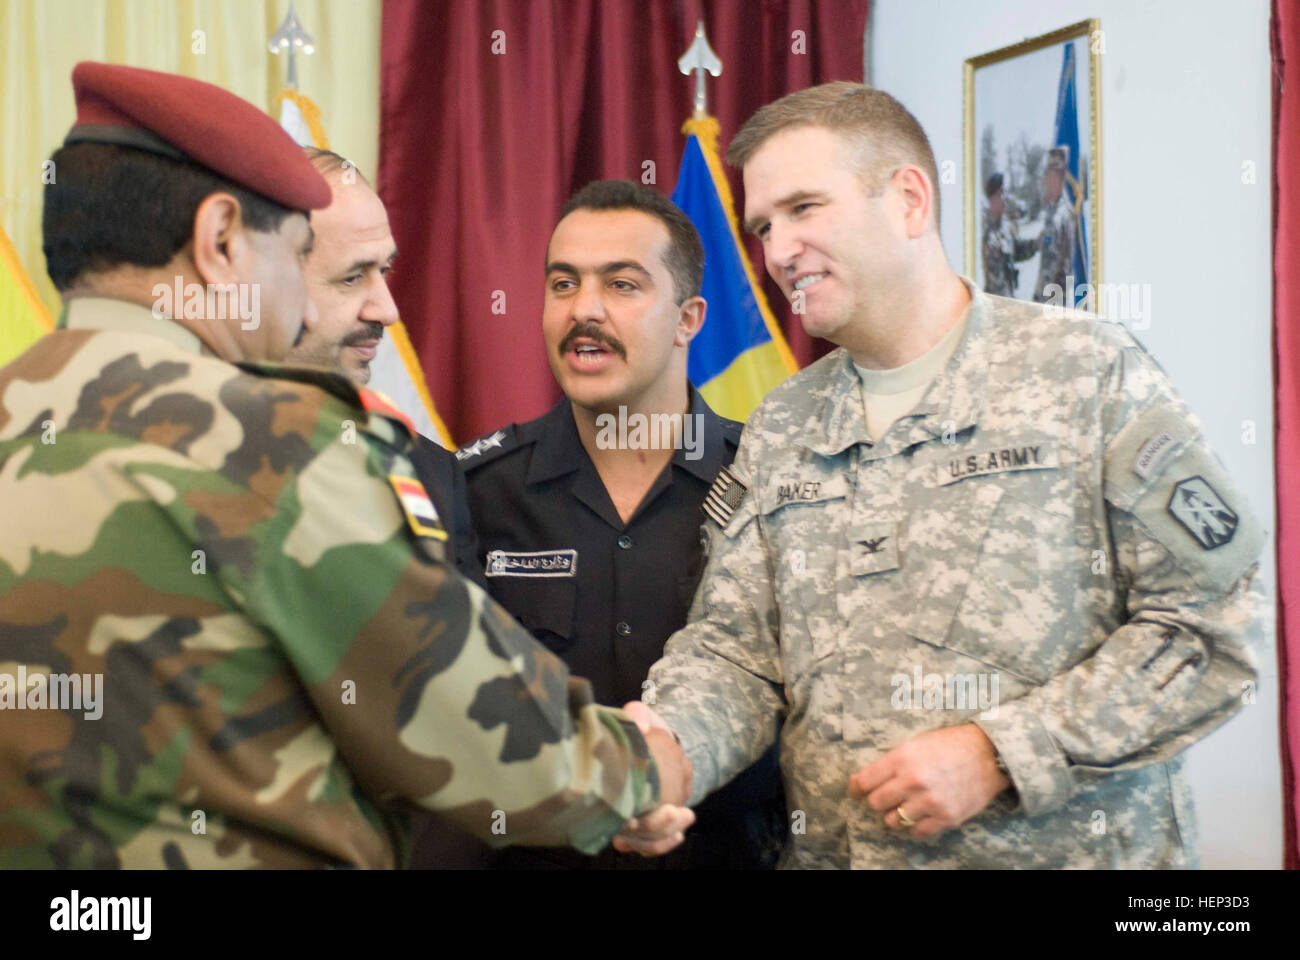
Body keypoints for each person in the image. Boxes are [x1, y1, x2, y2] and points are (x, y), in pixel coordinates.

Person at [0, 62, 691, 869]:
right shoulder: (269, 440)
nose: (306, 297)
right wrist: (644, 772)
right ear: (220, 241)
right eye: (297, 255)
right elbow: (484, 731)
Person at [630, 81, 1264, 869]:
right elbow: (737, 654)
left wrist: (1003, 752)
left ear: (908, 200)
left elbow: (1215, 626)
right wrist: (666, 751)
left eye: (803, 209)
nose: (777, 250)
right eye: (762, 225)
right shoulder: (783, 423)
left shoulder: (1088, 372)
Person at [457, 180, 785, 869]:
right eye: (563, 284)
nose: (585, 310)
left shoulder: (770, 480)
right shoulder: (476, 491)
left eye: (623, 285)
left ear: (689, 318)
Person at [287, 147, 482, 587]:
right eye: (352, 277)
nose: (387, 311)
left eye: (384, 272)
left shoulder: (429, 472)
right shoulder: (172, 451)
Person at [1032, 147, 1077, 303]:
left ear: (1059, 178)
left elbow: (1066, 268)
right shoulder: (1051, 210)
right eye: (1046, 176)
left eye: (1050, 176)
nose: (1046, 181)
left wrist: (1053, 305)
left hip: (1053, 302)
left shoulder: (1065, 215)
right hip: (1042, 295)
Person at [980, 172, 1035, 298]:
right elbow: (995, 283)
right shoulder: (985, 233)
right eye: (1000, 194)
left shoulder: (1005, 228)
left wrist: (1036, 244)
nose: (1004, 198)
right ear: (991, 199)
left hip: (1007, 300)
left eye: (1004, 193)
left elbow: (1017, 251)